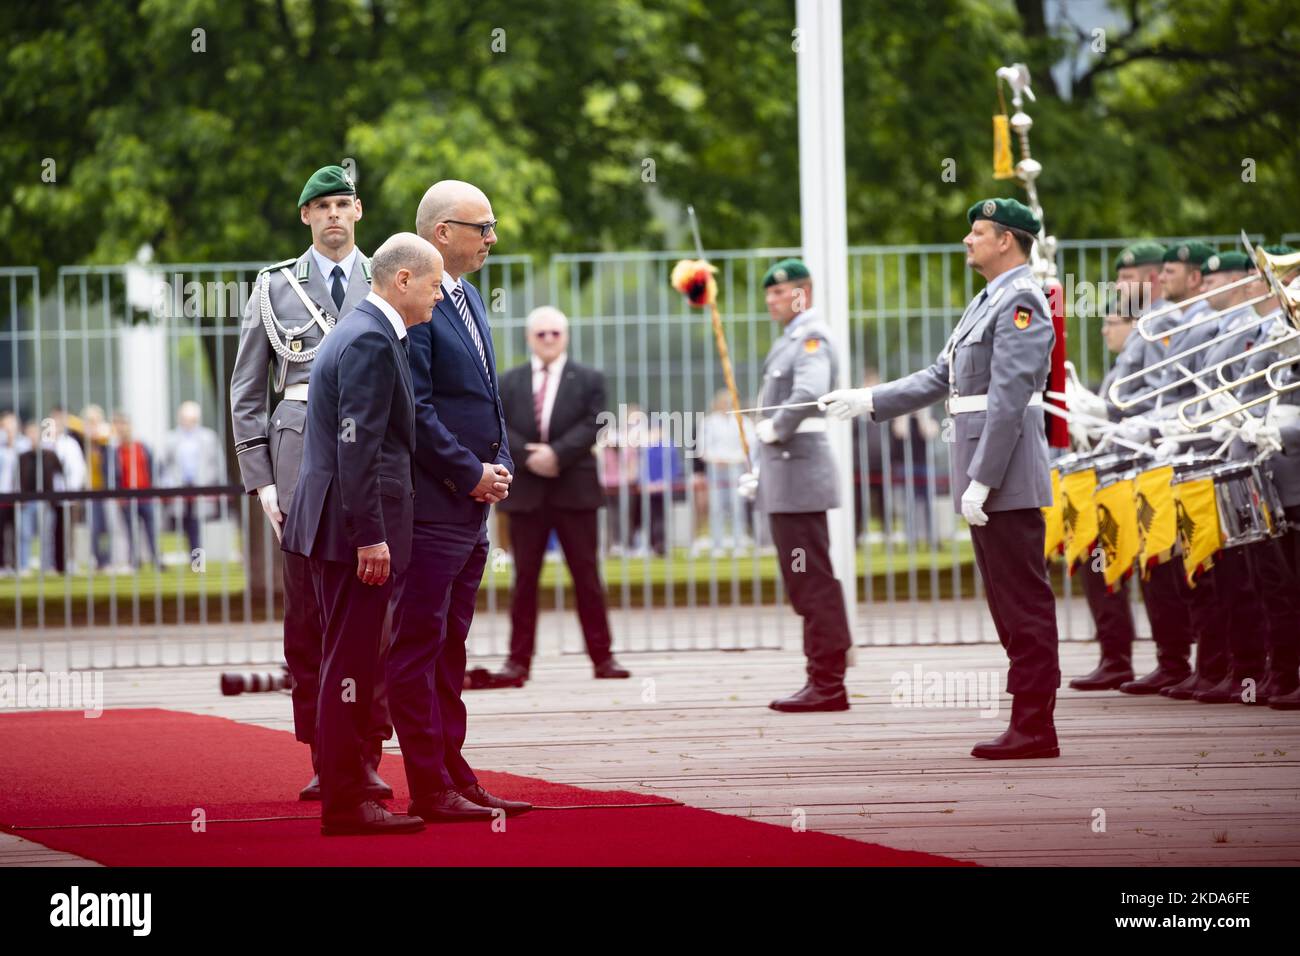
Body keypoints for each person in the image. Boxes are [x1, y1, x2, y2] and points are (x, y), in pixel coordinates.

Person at [823, 198, 1060, 758]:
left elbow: (1007, 401)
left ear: (1007, 240)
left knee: (1023, 602)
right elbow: (941, 376)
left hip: (1004, 475)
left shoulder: (1020, 300)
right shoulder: (987, 300)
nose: (966, 240)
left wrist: (983, 478)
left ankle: (1035, 725)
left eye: (977, 232)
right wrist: (869, 400)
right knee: (1006, 602)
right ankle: (1029, 722)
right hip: (987, 472)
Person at [229, 165, 393, 801]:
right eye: (320, 205)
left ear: (358, 211)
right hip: (297, 470)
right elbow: (247, 391)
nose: (332, 215)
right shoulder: (274, 287)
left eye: (342, 203)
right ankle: (326, 754)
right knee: (311, 620)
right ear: (305, 217)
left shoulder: (388, 277)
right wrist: (262, 483)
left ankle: (369, 752)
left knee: (375, 621)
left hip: (374, 465)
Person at [280, 232, 437, 837]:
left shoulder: (360, 329)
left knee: (345, 662)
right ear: (402, 280)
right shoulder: (371, 339)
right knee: (350, 666)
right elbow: (359, 448)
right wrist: (371, 536)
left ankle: (347, 792)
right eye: (430, 286)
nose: (435, 298)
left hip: (335, 528)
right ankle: (347, 803)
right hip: (353, 535)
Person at [387, 180, 529, 823]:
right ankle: (428, 785)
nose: (492, 238)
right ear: (442, 232)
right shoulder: (415, 298)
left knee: (452, 647)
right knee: (419, 646)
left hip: (470, 506)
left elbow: (478, 398)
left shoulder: (468, 295)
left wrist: (496, 464)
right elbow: (414, 410)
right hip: (434, 505)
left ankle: (454, 772)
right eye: (483, 226)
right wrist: (467, 472)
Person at [489, 306, 629, 685]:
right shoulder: (509, 381)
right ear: (529, 338)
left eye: (555, 333)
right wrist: (531, 457)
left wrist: (557, 454)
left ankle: (603, 658)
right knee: (524, 580)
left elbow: (595, 422)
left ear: (565, 336)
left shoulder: (589, 379)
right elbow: (498, 424)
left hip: (575, 491)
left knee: (586, 575)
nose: (548, 340)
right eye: (541, 334)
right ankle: (517, 662)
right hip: (528, 492)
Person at [737, 257, 853, 713]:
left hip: (800, 472)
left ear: (801, 293)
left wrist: (775, 428)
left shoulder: (810, 336)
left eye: (779, 293)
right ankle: (822, 678)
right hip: (787, 474)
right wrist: (762, 469)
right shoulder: (792, 338)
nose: (771, 301)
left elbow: (809, 392)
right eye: (768, 294)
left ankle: (828, 682)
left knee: (812, 580)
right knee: (803, 578)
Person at [159, 401, 225, 556]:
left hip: (200, 487)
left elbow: (216, 463)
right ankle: (192, 558)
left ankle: (196, 561)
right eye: (185, 418)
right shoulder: (172, 438)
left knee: (196, 525)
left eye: (191, 419)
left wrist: (210, 481)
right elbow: (164, 464)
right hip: (180, 488)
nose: (188, 422)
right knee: (184, 524)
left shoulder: (208, 437)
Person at [698, 388, 755, 554]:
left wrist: (732, 460)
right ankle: (717, 546)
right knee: (716, 508)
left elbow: (748, 446)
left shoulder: (743, 421)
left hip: (736, 468)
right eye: (723, 403)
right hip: (715, 468)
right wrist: (716, 459)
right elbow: (702, 447)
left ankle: (739, 544)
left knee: (737, 507)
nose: (726, 406)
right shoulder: (708, 422)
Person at [110, 413, 161, 570]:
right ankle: (135, 561)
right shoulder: (115, 451)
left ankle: (157, 560)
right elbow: (112, 475)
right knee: (131, 532)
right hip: (126, 498)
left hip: (146, 496)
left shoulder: (142, 447)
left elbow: (154, 468)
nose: (122, 430)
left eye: (124, 425)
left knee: (151, 530)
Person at [17, 421, 62, 573]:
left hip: (46, 501)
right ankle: (24, 566)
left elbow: (60, 475)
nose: (33, 437)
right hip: (27, 501)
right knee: (25, 535)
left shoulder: (50, 455)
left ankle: (46, 566)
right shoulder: (22, 457)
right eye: (30, 433)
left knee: (46, 536)